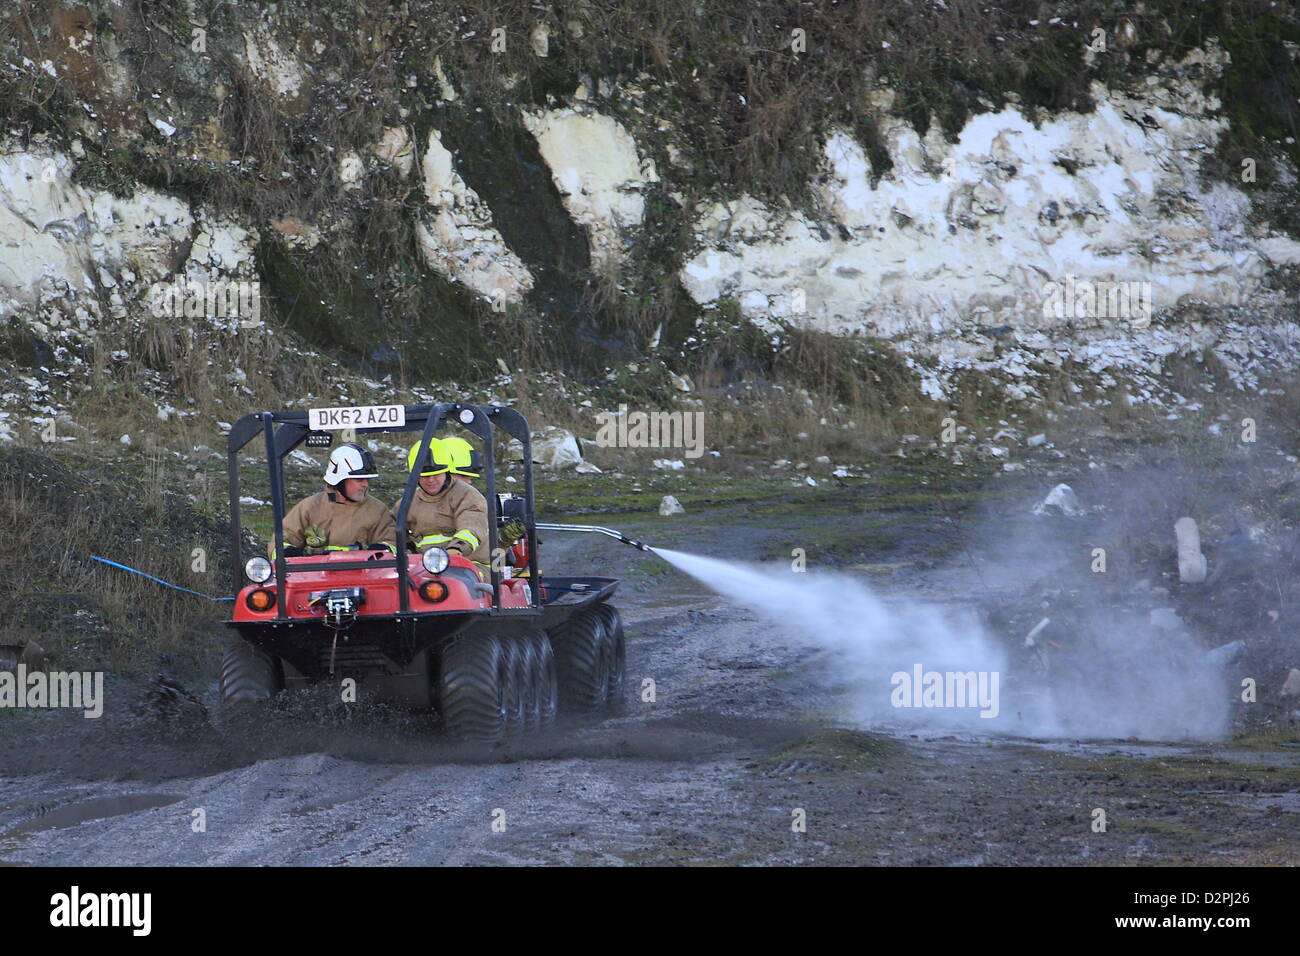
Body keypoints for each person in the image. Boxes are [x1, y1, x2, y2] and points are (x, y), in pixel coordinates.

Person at [272, 443, 396, 557]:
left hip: (364, 577)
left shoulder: (377, 510)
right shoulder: (310, 507)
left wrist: (382, 550)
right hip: (314, 577)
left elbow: (392, 544)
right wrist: (289, 553)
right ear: (339, 481)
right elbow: (279, 542)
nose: (365, 484)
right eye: (359, 479)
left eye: (367, 480)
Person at [398, 437, 490, 569]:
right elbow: (392, 530)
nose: (430, 480)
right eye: (425, 476)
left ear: (447, 471)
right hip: (425, 568)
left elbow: (471, 528)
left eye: (436, 474)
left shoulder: (468, 496)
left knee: (454, 585)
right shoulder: (407, 502)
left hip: (470, 566)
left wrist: (455, 550)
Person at [441, 434, 526, 550]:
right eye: (463, 475)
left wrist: (505, 539)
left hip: (471, 566)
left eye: (470, 478)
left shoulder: (474, 504)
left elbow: (497, 561)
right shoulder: (414, 505)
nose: (469, 482)